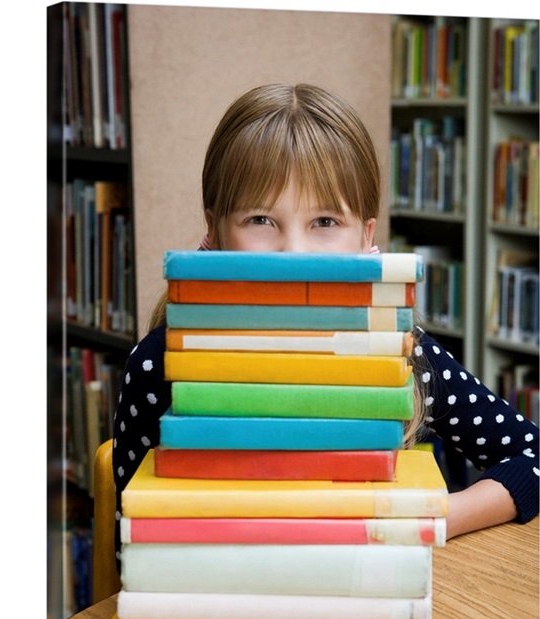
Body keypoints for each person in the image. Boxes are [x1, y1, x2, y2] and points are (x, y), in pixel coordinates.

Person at [112, 83, 539, 563]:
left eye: (325, 222)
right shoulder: (158, 363)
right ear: (214, 230)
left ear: (366, 238)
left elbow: (531, 456)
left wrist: (432, 517)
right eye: (260, 219)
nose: (295, 254)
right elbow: (133, 539)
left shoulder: (399, 351)